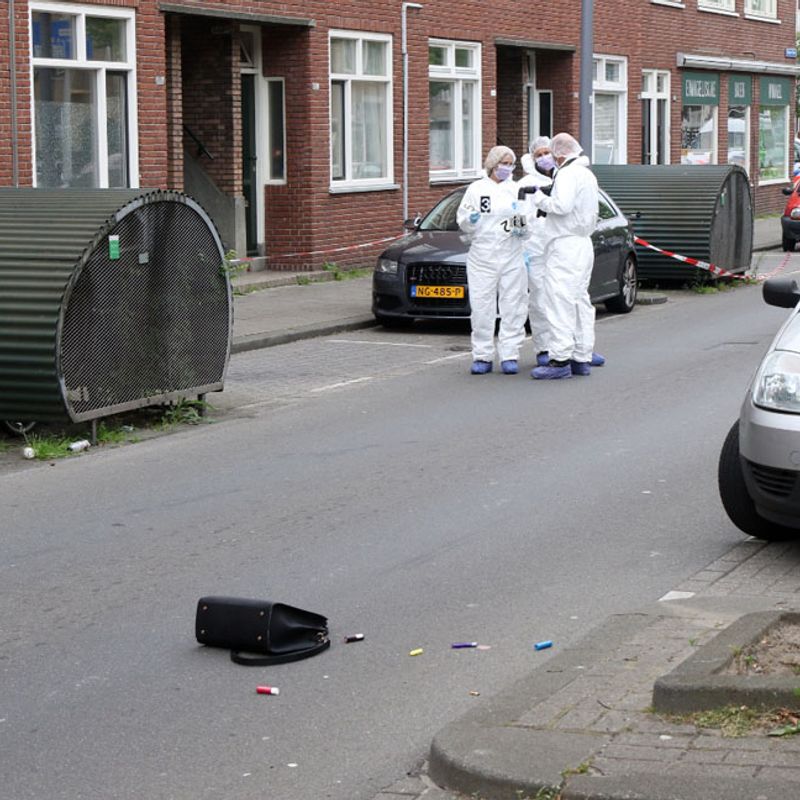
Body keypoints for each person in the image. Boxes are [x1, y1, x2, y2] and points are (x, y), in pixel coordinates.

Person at [525, 132, 602, 379]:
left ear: (558, 155)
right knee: (580, 300)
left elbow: (561, 206)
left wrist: (538, 198)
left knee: (559, 301)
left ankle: (560, 360)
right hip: (582, 243)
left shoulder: (568, 174)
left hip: (565, 244)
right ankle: (582, 356)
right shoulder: (587, 174)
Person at [456, 145, 529, 375]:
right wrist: (471, 220)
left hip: (511, 254)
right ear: (492, 163)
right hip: (482, 256)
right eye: (503, 163)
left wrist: (522, 230)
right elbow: (463, 219)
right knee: (482, 307)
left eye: (510, 164)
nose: (507, 168)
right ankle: (482, 355)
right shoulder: (476, 189)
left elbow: (527, 219)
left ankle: (509, 354)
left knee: (513, 305)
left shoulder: (517, 189)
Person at [517, 136, 556, 367]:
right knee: (540, 300)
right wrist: (520, 244)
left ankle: (572, 346)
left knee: (564, 299)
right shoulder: (526, 184)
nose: (544, 157)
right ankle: (544, 348)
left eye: (546, 152)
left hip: (559, 248)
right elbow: (518, 215)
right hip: (535, 250)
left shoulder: (563, 178)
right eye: (538, 154)